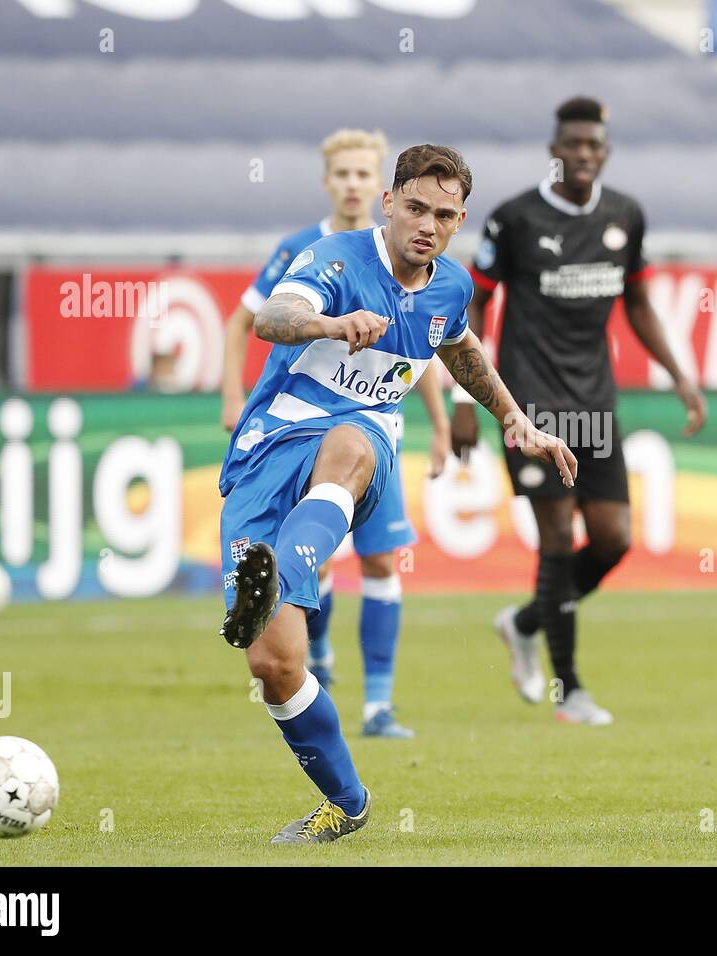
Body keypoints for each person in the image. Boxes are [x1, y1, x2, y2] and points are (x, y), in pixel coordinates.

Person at [218, 144, 577, 842]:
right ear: (389, 203)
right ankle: (347, 800)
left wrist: (514, 419)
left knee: (353, 441)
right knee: (274, 664)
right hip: (269, 449)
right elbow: (272, 317)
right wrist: (329, 324)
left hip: (357, 443)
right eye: (415, 208)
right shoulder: (336, 260)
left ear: (460, 220)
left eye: (444, 215)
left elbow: (461, 349)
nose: (428, 225)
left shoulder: (450, 287)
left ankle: (286, 572)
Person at [454, 95, 707, 725]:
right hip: (531, 402)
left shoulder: (625, 216)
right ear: (554, 150)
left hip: (594, 402)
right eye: (574, 144)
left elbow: (638, 303)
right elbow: (475, 303)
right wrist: (466, 395)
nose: (584, 154)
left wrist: (680, 376)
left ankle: (524, 622)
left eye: (594, 145)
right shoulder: (514, 219)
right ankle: (569, 690)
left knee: (614, 538)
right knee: (558, 539)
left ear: (605, 151)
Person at [220, 128, 453, 739]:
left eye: (362, 173)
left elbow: (426, 347)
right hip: (300, 429)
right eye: (342, 173)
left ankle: (379, 705)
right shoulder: (305, 250)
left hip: (374, 431)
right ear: (329, 182)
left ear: (380, 187)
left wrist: (440, 424)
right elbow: (249, 321)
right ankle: (315, 655)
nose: (352, 184)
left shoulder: (416, 260)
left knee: (379, 560)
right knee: (309, 560)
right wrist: (232, 398)